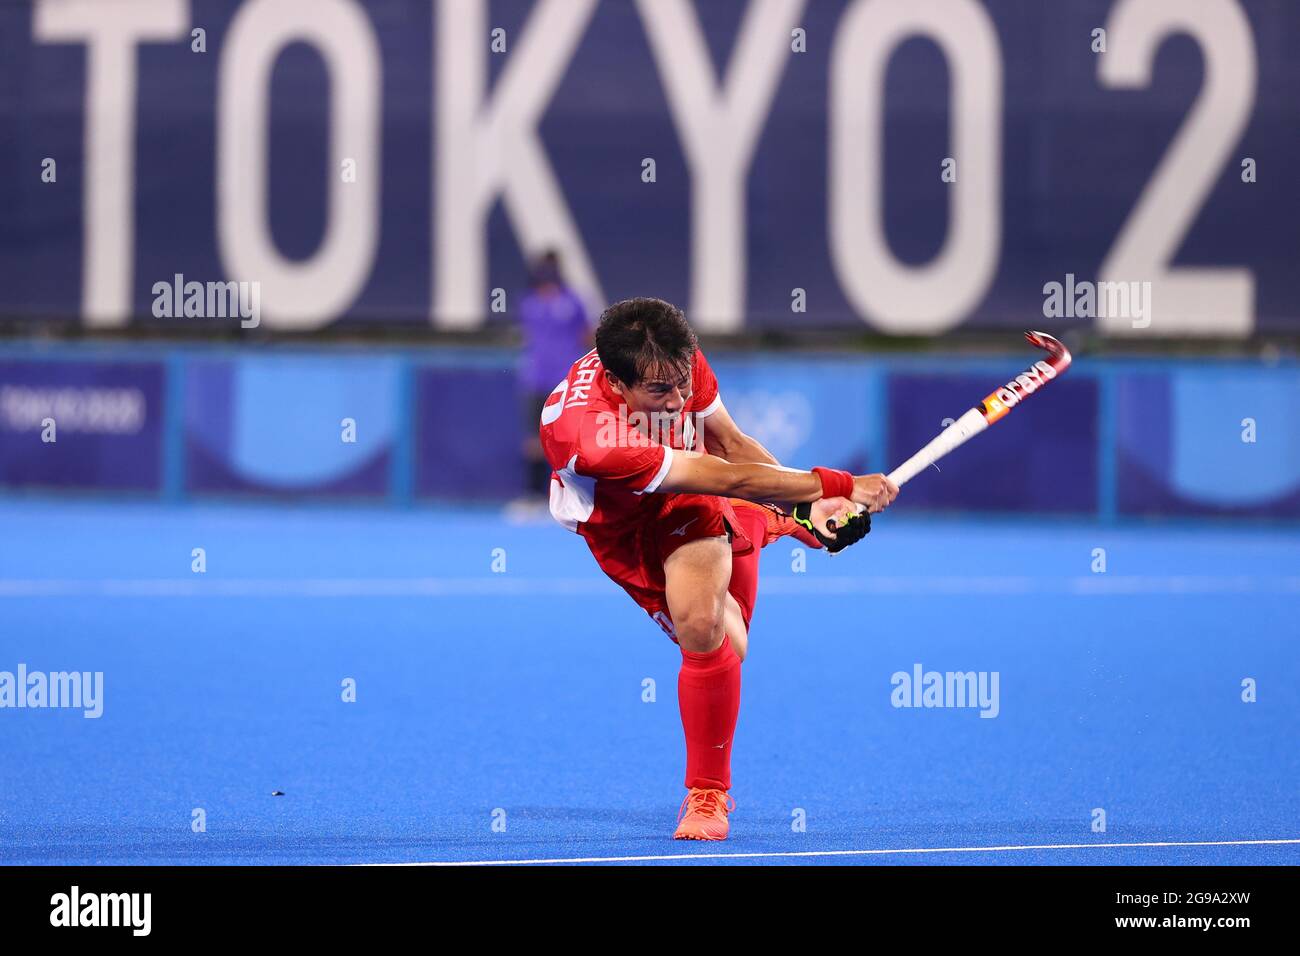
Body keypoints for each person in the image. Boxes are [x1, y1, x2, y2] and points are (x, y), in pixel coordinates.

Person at [539, 297, 898, 840]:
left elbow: (730, 446)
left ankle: (707, 794)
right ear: (615, 381)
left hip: (689, 503)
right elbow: (728, 479)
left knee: (704, 629)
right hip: (624, 530)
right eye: (662, 392)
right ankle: (763, 526)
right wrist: (839, 487)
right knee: (732, 639)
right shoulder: (591, 434)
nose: (680, 398)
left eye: (683, 382)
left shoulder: (671, 359)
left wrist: (807, 504)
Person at [516, 251, 592, 501]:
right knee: (534, 440)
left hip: (567, 382)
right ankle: (534, 495)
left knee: (570, 439)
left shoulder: (574, 301)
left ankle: (573, 496)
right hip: (537, 379)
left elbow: (587, 334)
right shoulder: (529, 303)